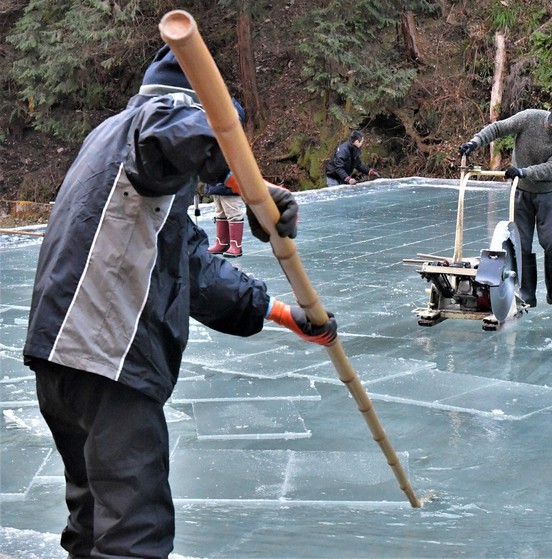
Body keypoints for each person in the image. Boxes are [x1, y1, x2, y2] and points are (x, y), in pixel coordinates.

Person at [23, 45, 337, 559]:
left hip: (62, 362)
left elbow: (190, 264)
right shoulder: (150, 126)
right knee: (134, 538)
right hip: (109, 360)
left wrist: (281, 314)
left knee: (95, 523)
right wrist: (249, 186)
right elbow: (183, 133)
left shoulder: (114, 148)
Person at [459, 96, 552, 310]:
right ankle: (528, 293)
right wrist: (474, 143)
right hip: (521, 193)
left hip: (547, 194)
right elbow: (498, 128)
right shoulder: (529, 118)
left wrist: (523, 172)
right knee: (522, 244)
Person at [205, 179, 246, 258]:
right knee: (220, 212)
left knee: (233, 213)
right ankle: (222, 243)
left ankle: (235, 245)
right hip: (215, 180)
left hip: (230, 182)